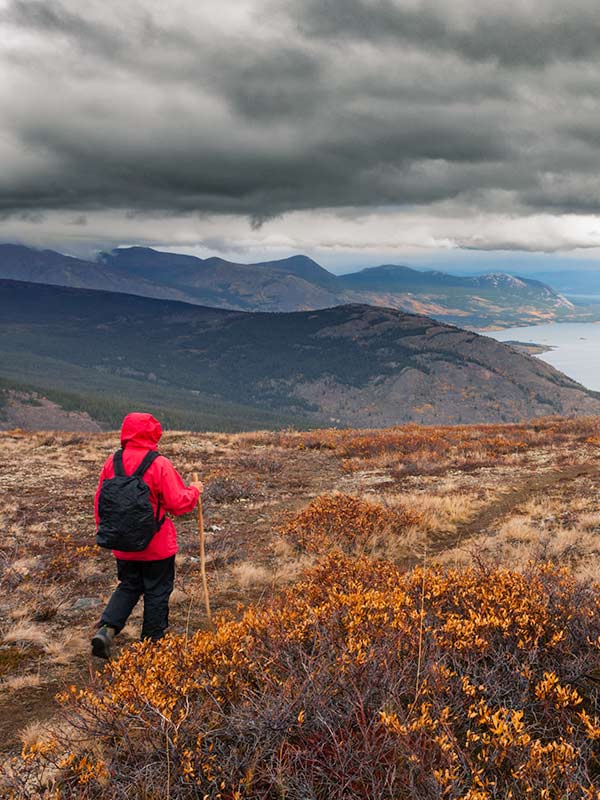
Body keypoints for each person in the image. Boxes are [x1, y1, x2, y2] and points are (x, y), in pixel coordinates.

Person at [91, 412, 203, 659]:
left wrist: (108, 530)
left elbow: (101, 501)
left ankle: (107, 630)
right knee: (156, 591)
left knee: (129, 585)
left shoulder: (113, 462)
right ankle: (153, 648)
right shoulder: (159, 463)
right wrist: (194, 491)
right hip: (156, 546)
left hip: (123, 543)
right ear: (154, 434)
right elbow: (177, 503)